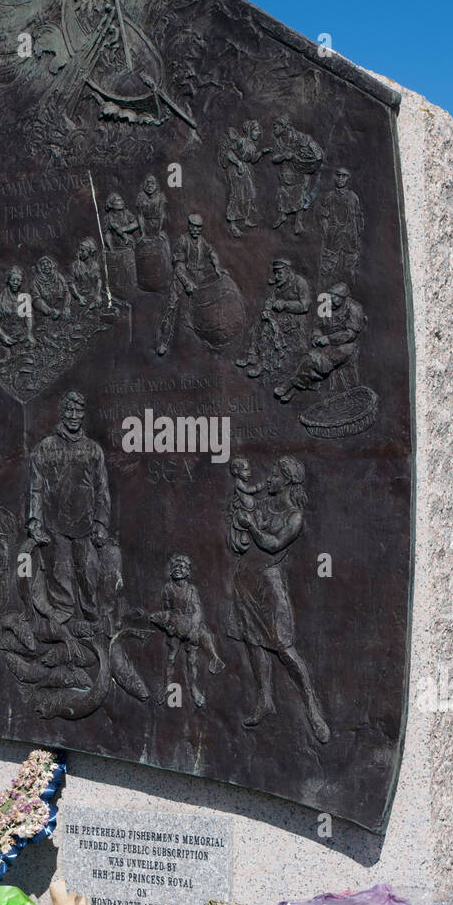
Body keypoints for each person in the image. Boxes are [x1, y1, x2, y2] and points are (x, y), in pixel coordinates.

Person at [228, 456, 329, 744]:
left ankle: (311, 707)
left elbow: (273, 545)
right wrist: (237, 528)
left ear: (287, 480)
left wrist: (251, 527)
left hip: (268, 584)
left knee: (284, 647)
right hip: (244, 578)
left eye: (274, 474)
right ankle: (265, 701)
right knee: (252, 641)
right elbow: (242, 541)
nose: (269, 478)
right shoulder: (261, 505)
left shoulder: (294, 516)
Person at [27, 390, 110, 662]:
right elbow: (36, 488)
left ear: (83, 414)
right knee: (60, 577)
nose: (74, 417)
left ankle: (92, 623)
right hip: (55, 526)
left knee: (88, 574)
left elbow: (102, 490)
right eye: (69, 411)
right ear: (62, 413)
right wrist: (35, 521)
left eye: (78, 412)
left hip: (85, 525)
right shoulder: (45, 447)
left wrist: (101, 522)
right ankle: (62, 631)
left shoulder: (93, 449)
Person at [150, 553, 224, 709]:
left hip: (191, 627)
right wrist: (169, 628)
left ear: (188, 572)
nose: (178, 569)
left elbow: (197, 611)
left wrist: (194, 627)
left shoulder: (192, 589)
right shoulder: (167, 589)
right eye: (175, 566)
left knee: (192, 661)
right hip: (175, 629)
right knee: (170, 658)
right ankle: (168, 688)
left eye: (182, 566)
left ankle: (194, 689)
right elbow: (166, 611)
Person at [274, 283, 365, 403]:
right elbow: (319, 325)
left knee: (314, 361)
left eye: (335, 297)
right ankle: (295, 388)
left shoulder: (354, 308)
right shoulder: (326, 305)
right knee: (309, 359)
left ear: (344, 297)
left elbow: (350, 334)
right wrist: (316, 335)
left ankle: (290, 385)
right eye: (330, 296)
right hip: (327, 345)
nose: (331, 300)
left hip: (346, 346)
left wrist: (328, 339)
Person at [157, 212, 222, 354]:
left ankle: (210, 340)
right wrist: (187, 283)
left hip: (198, 275)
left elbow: (212, 254)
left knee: (206, 305)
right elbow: (178, 266)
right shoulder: (182, 241)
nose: (195, 230)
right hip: (181, 278)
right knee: (172, 307)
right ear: (189, 226)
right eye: (193, 227)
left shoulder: (202, 241)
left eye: (198, 227)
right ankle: (164, 341)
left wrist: (217, 267)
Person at [236, 258, 311, 379]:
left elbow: (305, 306)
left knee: (268, 327)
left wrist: (285, 304)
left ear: (288, 271)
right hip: (279, 316)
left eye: (279, 273)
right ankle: (252, 355)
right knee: (259, 321)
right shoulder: (279, 286)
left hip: (295, 319)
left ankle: (262, 364)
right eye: (275, 273)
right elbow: (270, 300)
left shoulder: (299, 282)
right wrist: (267, 309)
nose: (277, 276)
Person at [270, 118, 323, 235]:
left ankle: (298, 223)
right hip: (286, 173)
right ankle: (282, 215)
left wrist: (305, 157)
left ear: (284, 126)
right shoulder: (279, 141)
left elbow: (315, 150)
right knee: (283, 192)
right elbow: (274, 158)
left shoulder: (299, 137)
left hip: (301, 171)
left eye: (276, 127)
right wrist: (284, 156)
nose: (274, 130)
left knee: (300, 195)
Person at [318, 167, 364, 282]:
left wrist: (356, 235)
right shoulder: (329, 196)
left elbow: (358, 217)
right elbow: (323, 217)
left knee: (349, 271)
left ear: (348, 179)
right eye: (338, 176)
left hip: (350, 238)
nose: (340, 179)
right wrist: (326, 232)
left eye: (343, 176)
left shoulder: (353, 197)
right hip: (333, 238)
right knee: (327, 270)